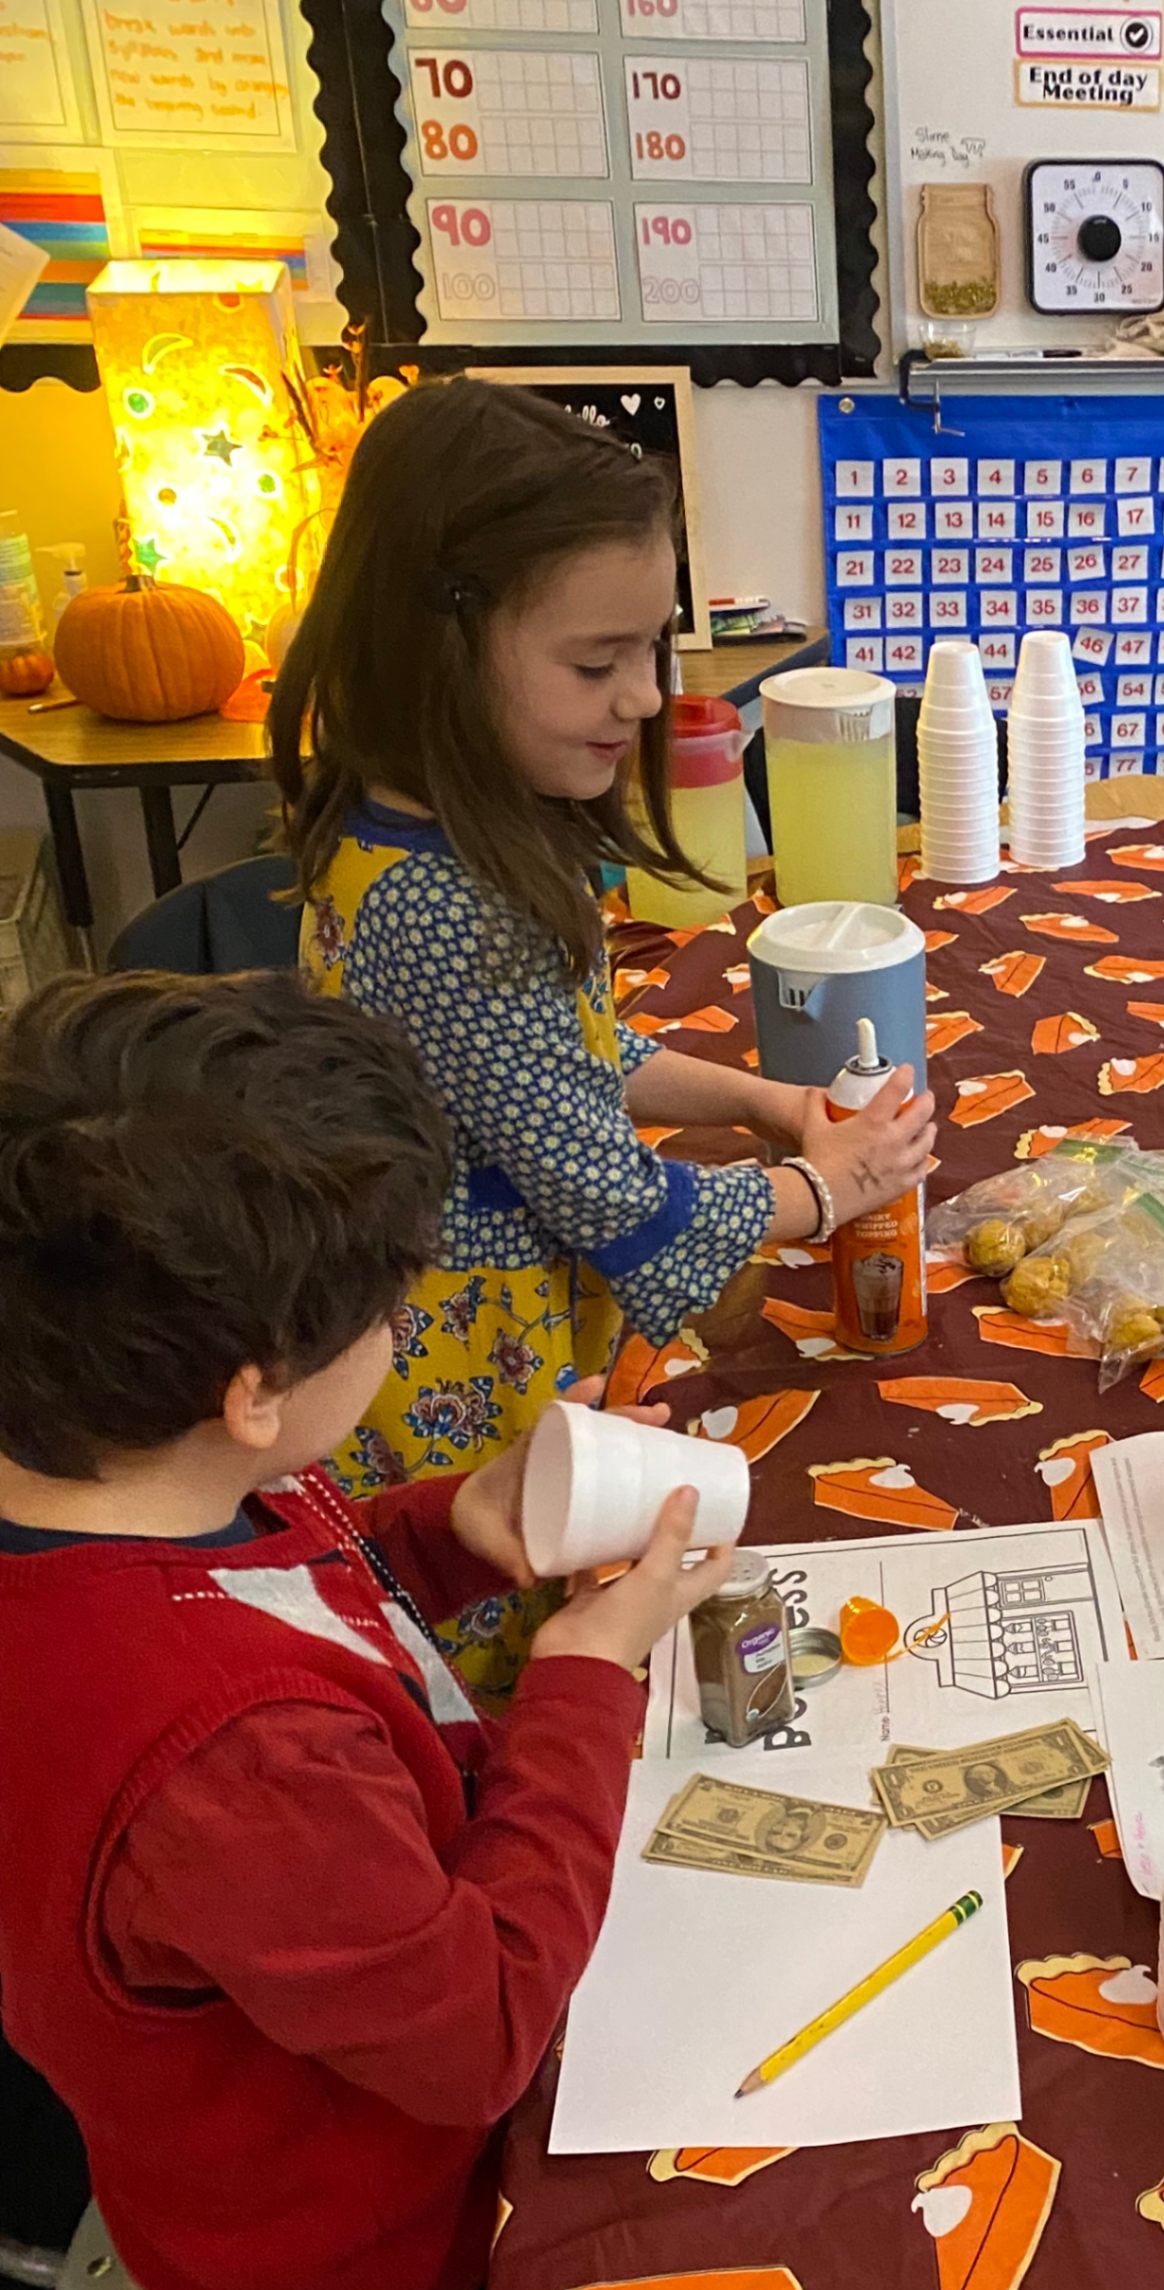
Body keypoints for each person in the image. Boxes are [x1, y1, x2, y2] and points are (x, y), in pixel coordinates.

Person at [0, 971, 736, 2290]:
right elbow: (475, 2024)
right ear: (253, 1390)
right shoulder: (221, 1755)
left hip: (277, 2026)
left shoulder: (130, 1475)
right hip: (352, 2198)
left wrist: (446, 1528)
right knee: (733, 2232)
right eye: (392, 1311)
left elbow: (309, 1588)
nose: (408, 1329)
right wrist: (586, 1676)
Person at [274, 379, 934, 1687]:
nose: (642, 697)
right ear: (436, 640)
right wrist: (824, 1186)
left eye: (653, 651)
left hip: (433, 1312)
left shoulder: (400, 828)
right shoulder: (455, 914)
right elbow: (615, 1199)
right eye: (596, 662)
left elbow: (564, 1058)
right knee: (523, 1622)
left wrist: (755, 1098)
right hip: (464, 1357)